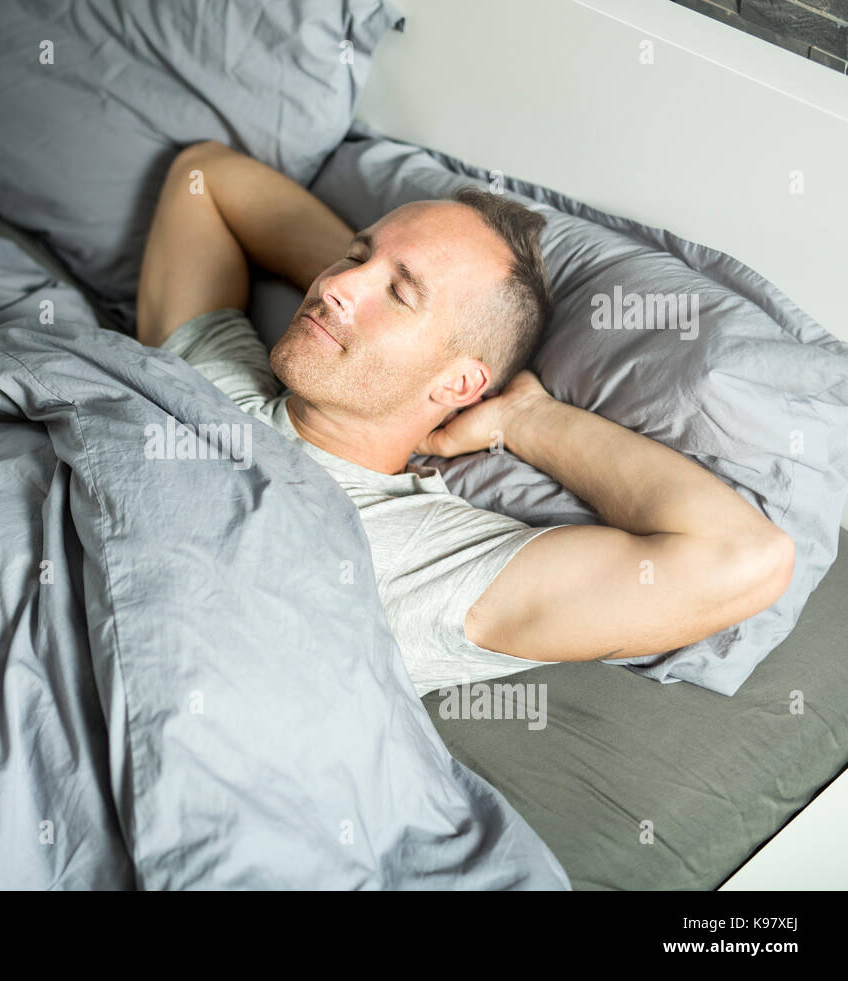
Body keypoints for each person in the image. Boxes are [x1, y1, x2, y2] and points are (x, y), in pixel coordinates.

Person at [135, 139, 794, 695]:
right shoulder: (215, 381)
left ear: (459, 381)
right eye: (355, 257)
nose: (334, 283)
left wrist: (529, 419)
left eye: (400, 293)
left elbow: (745, 556)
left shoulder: (424, 556)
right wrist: (370, 301)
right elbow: (204, 176)